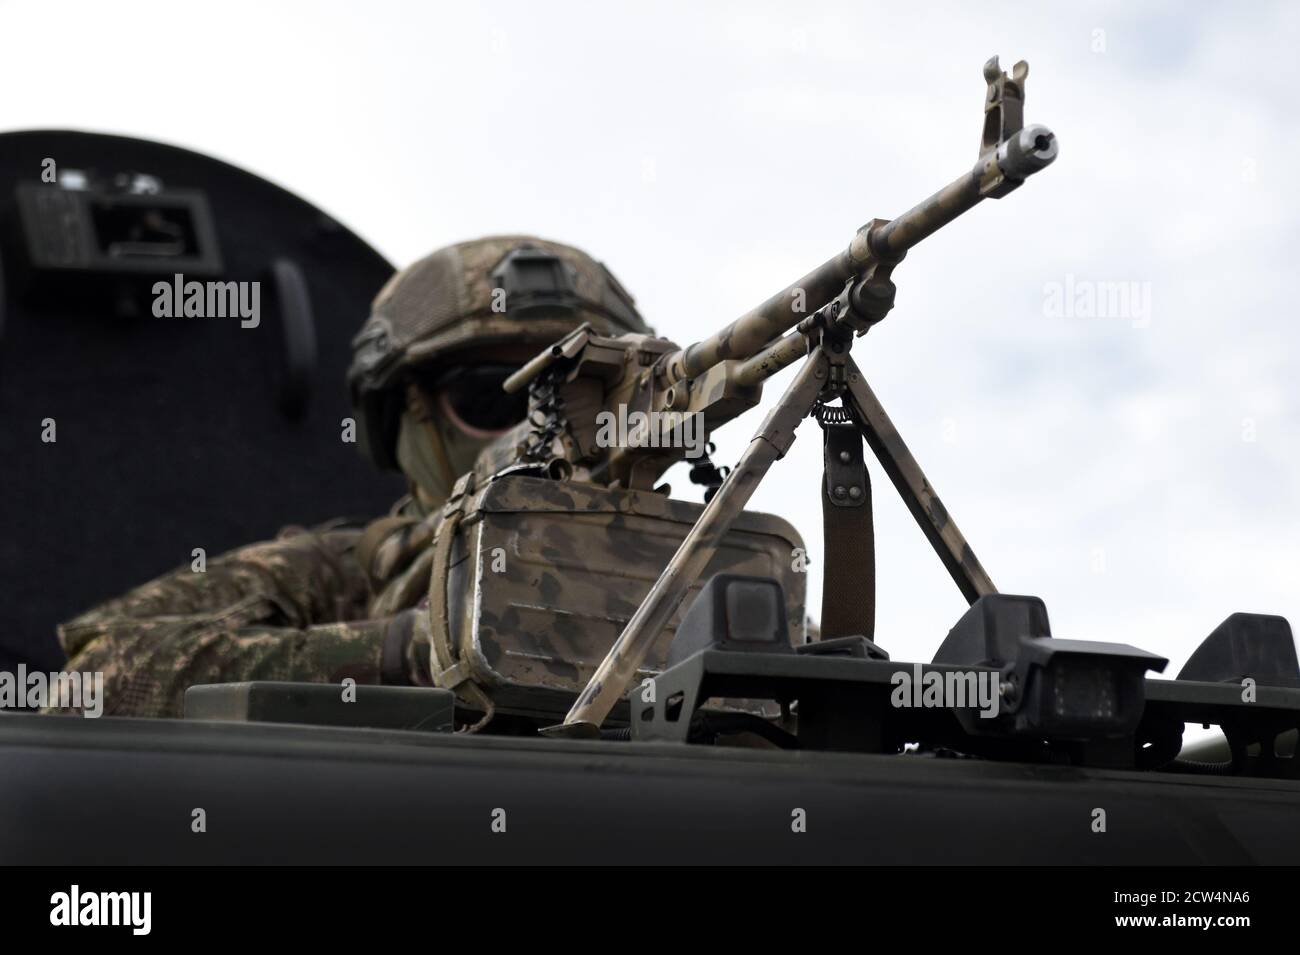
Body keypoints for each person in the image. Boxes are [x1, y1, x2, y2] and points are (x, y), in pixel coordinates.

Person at [54, 235, 652, 718]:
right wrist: (414, 648)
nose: (542, 430)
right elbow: (97, 678)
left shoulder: (706, 566)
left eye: (584, 406)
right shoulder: (337, 575)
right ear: (405, 418)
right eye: (492, 399)